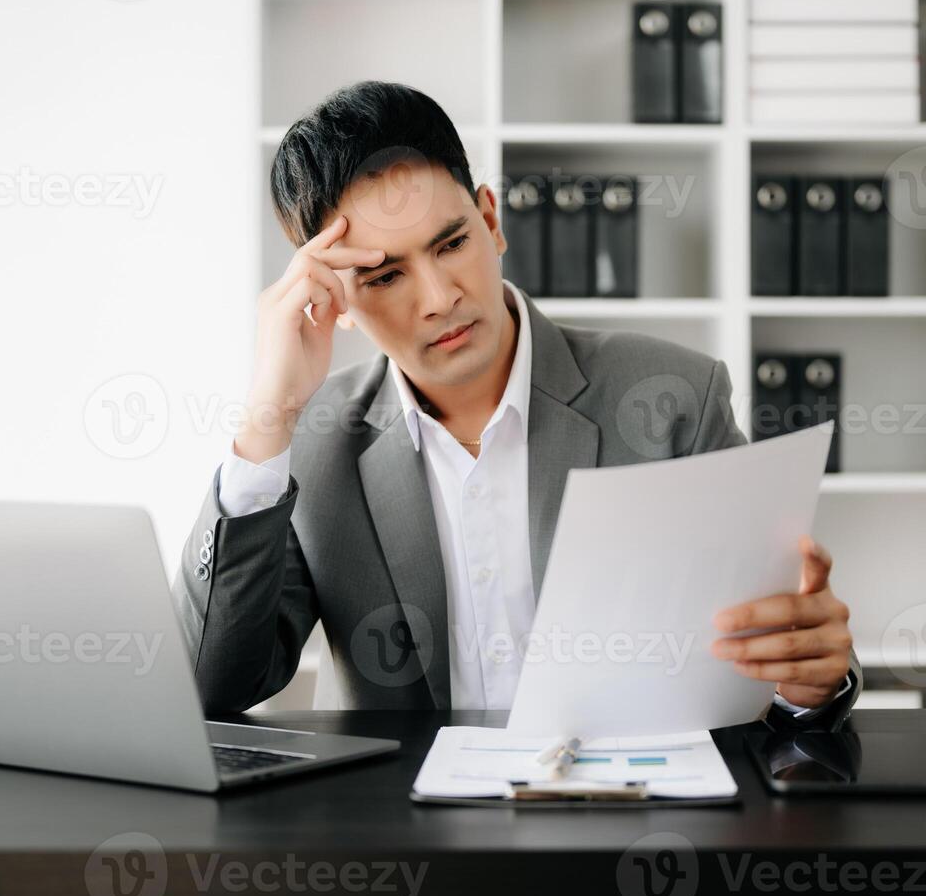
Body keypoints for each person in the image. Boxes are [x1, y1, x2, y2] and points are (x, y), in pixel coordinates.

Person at [173, 80, 858, 727]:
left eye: (451, 243)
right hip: (405, 841)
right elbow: (211, 686)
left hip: (633, 819)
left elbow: (783, 638)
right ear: (337, 300)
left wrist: (808, 684)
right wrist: (270, 414)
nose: (439, 296)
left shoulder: (672, 397)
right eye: (384, 275)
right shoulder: (316, 446)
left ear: (491, 220)